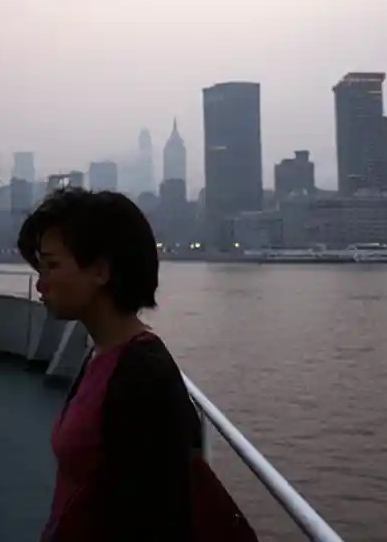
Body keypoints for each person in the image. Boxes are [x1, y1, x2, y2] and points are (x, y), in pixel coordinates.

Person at [19, 188, 254, 542]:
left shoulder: (143, 379)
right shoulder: (100, 355)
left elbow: (156, 519)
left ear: (99, 271)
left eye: (51, 265)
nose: (40, 282)